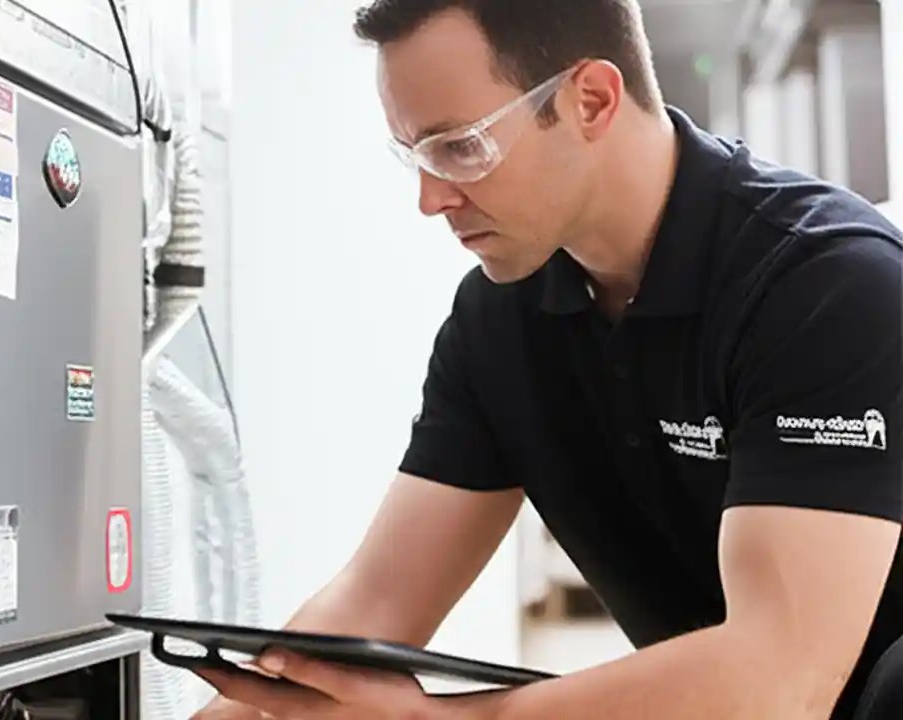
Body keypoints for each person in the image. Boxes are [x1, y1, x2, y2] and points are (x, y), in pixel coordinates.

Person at [191, 0, 903, 718]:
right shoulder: (501, 323)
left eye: (459, 146)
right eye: (414, 155)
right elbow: (374, 602)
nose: (430, 198)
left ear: (590, 99)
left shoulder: (825, 283)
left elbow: (780, 679)